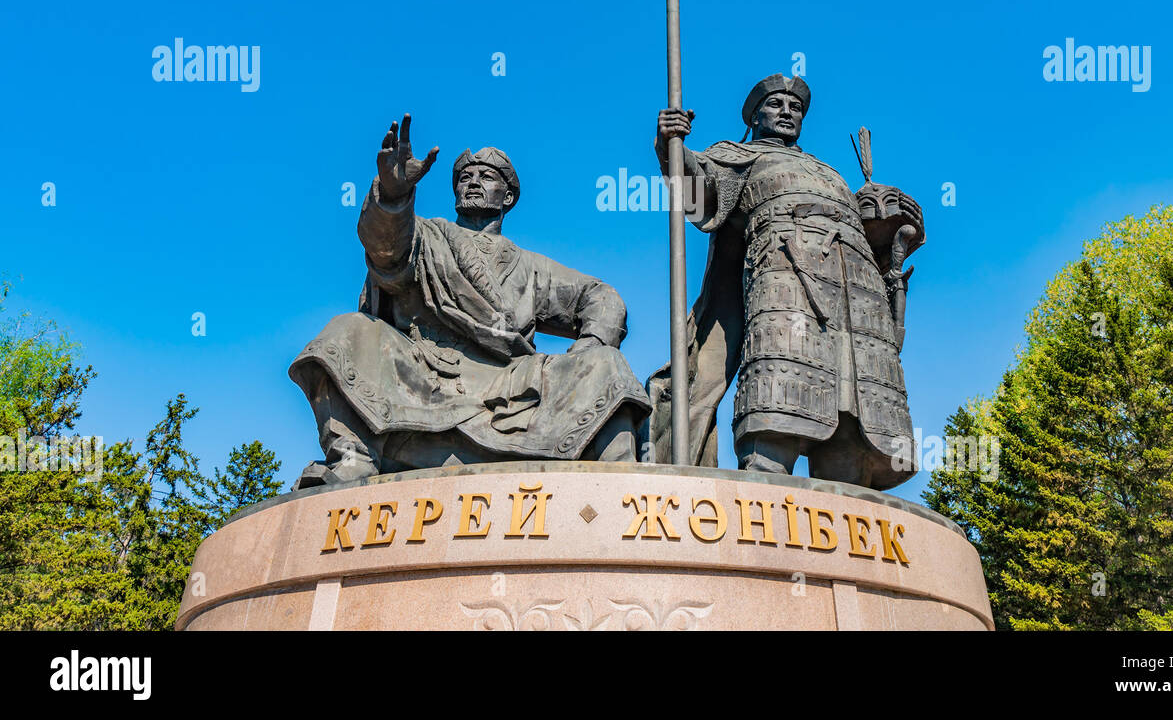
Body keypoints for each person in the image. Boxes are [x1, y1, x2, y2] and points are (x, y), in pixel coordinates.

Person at [290, 114, 650, 489]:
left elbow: (601, 296)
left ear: (507, 197)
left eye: (486, 176)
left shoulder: (531, 267)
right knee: (347, 331)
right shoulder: (426, 235)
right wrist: (393, 196)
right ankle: (354, 458)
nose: (473, 182)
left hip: (510, 381)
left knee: (605, 363)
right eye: (465, 177)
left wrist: (592, 341)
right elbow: (386, 251)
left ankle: (619, 484)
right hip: (427, 369)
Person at [646, 75, 922, 489]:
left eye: (796, 108)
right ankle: (763, 496)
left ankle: (846, 504)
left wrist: (887, 219)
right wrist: (671, 147)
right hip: (784, 280)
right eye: (776, 105)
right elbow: (697, 190)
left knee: (851, 412)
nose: (787, 112)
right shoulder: (740, 155)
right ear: (755, 117)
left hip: (856, 298)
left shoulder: (827, 171)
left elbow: (870, 239)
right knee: (780, 393)